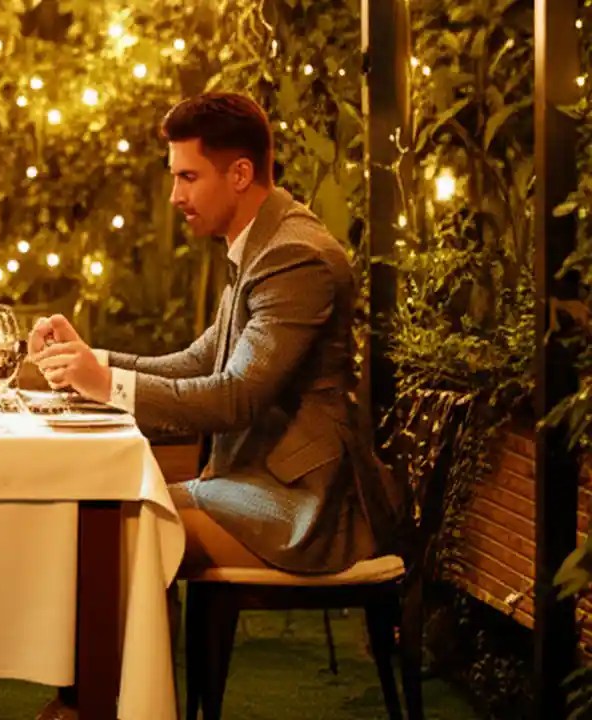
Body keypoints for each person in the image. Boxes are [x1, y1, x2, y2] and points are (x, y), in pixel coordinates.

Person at [27, 93, 401, 719]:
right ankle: (89, 704)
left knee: (122, 526)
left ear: (240, 174)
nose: (175, 194)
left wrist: (105, 385)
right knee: (102, 510)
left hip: (305, 505)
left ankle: (89, 709)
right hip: (252, 481)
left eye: (187, 176)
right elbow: (199, 364)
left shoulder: (294, 256)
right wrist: (92, 363)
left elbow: (235, 397)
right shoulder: (258, 243)